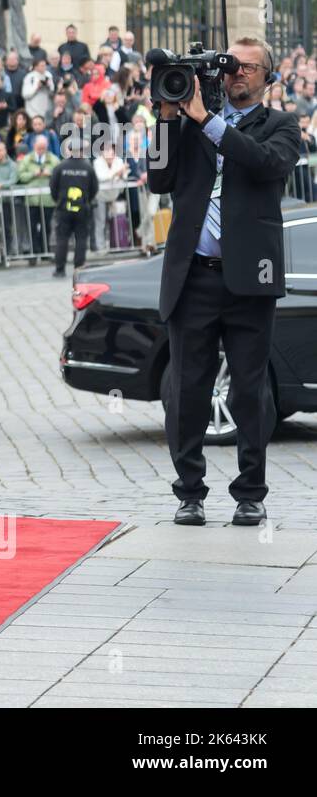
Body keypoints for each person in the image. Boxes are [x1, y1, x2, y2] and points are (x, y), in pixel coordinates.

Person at [148, 37, 300, 528]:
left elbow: (265, 163)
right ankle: (189, 492)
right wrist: (169, 118)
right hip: (192, 277)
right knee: (187, 391)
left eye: (248, 67)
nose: (236, 73)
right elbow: (158, 179)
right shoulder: (189, 122)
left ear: (267, 78)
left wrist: (206, 122)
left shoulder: (281, 125)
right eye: (230, 65)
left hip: (249, 281)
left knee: (249, 393)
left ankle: (250, 494)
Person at [49, 139, 98, 277]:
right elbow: (94, 188)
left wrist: (58, 200)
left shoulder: (60, 167)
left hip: (64, 207)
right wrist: (86, 200)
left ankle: (60, 269)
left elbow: (53, 187)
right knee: (81, 238)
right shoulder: (88, 167)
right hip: (82, 208)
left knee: (62, 238)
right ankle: (79, 268)